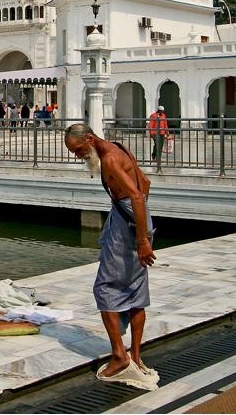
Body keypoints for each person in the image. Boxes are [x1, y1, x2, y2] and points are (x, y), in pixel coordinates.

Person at [63, 123, 158, 390]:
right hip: (133, 219)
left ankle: (120, 357)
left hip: (129, 224)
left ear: (90, 139)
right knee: (136, 290)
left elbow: (137, 196)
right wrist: (142, 226)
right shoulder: (119, 147)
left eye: (78, 150)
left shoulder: (111, 159)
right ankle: (136, 359)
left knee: (105, 289)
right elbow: (145, 184)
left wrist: (139, 239)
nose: (77, 155)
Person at [147, 106, 169, 173]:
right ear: (158, 110)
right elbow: (151, 124)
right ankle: (154, 155)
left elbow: (165, 124)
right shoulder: (153, 116)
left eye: (162, 111)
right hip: (155, 133)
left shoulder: (163, 116)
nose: (162, 112)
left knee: (160, 145)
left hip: (162, 133)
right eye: (161, 111)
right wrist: (151, 133)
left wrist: (167, 131)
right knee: (157, 144)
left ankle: (158, 156)